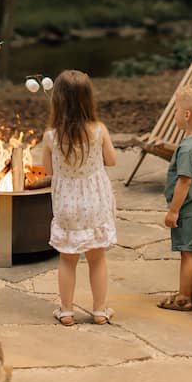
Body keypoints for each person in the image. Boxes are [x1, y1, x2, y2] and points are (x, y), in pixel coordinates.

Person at [41, 70, 117, 326]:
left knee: (67, 258)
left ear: (57, 101)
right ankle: (99, 310)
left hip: (66, 205)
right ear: (88, 99)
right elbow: (112, 161)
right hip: (95, 202)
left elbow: (48, 171)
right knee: (96, 259)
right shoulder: (99, 130)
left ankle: (66, 311)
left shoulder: (51, 136)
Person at [157, 84, 192, 312]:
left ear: (187, 115)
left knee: (187, 254)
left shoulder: (189, 148)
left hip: (188, 209)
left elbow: (184, 181)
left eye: (176, 110)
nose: (174, 115)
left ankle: (183, 297)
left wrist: (173, 210)